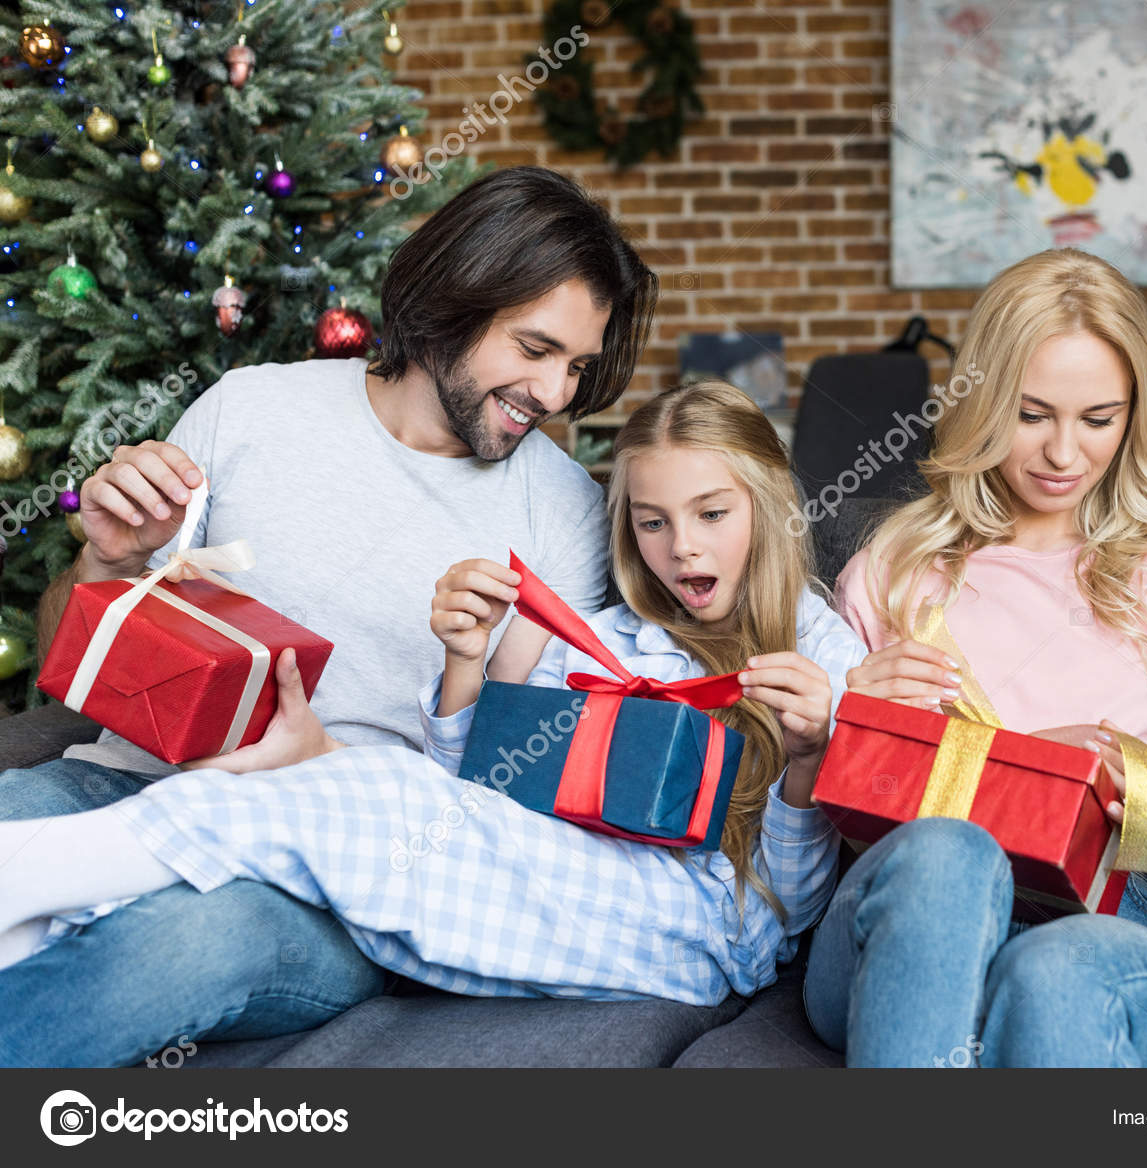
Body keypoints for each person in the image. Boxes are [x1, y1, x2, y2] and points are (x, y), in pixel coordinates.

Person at [0, 166, 656, 1066]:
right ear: (453, 299)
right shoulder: (250, 410)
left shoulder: (562, 514)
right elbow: (69, 668)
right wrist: (108, 560)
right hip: (130, 787)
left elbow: (517, 808)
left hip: (338, 875)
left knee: (183, 943)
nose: (553, 394)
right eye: (534, 349)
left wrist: (326, 762)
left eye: (577, 368)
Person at [0, 381, 867, 1007]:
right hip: (559, 868)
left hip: (702, 927)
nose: (681, 548)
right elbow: (478, 792)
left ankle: (38, 873)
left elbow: (790, 915)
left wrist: (804, 759)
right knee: (376, 789)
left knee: (373, 787)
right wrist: (465, 661)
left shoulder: (821, 650)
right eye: (652, 521)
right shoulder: (606, 639)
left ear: (768, 502)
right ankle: (40, 907)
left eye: (713, 514)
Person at [802, 247, 1147, 1067]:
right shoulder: (890, 576)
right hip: (913, 920)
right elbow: (840, 849)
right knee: (948, 852)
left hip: (1107, 914)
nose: (1063, 455)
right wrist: (848, 730)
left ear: (1134, 414)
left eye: (1098, 418)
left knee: (1050, 973)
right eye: (1032, 414)